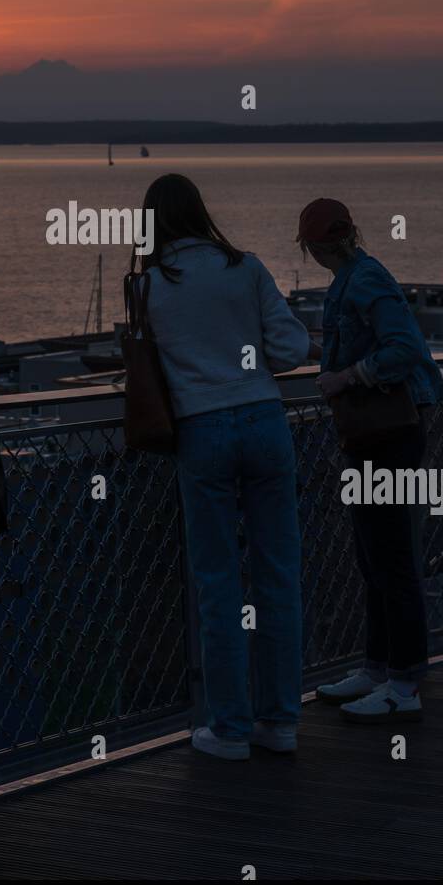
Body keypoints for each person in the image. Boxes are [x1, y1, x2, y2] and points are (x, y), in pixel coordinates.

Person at [137, 174, 312, 759]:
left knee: (218, 584)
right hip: (263, 420)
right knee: (278, 575)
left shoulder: (149, 285)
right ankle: (281, 721)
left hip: (202, 430)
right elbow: (289, 351)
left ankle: (230, 728)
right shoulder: (248, 266)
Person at [298, 198, 443, 723]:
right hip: (375, 436)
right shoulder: (355, 277)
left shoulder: (363, 281)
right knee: (374, 554)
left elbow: (403, 349)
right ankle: (379, 668)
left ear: (312, 248)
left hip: (390, 435)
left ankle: (403, 683)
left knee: (391, 557)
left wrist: (346, 377)